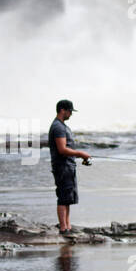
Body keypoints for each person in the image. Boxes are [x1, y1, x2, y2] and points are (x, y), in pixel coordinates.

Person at [48, 99, 90, 235]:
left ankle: (67, 226)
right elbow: (62, 149)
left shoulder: (61, 126)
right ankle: (63, 228)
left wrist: (79, 156)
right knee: (63, 196)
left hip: (67, 166)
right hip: (62, 167)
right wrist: (80, 153)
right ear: (62, 110)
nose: (71, 114)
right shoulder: (58, 127)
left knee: (67, 198)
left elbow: (66, 149)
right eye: (70, 111)